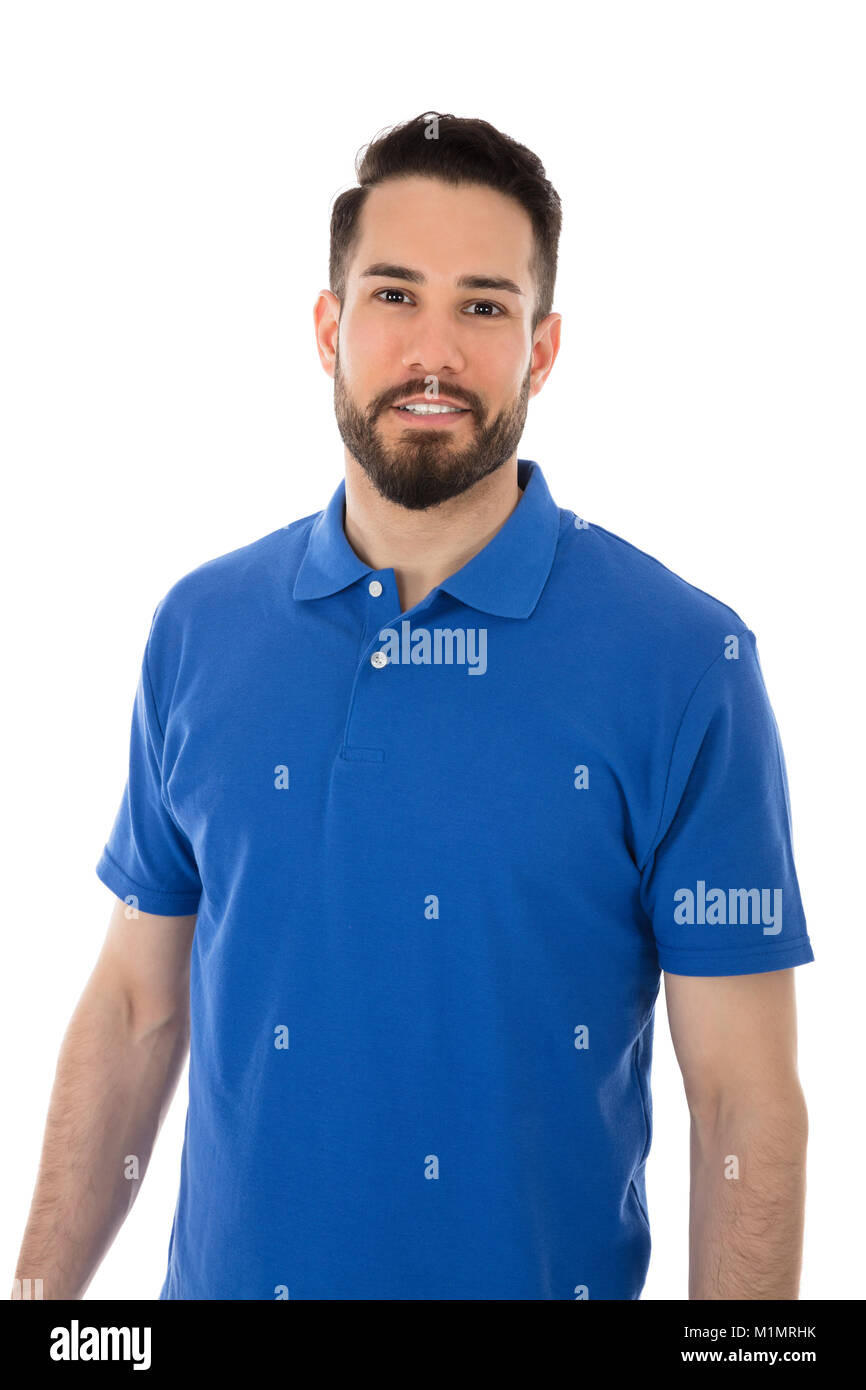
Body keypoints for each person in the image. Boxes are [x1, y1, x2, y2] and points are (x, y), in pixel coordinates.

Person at [12, 112, 813, 1301]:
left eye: (483, 306)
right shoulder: (199, 627)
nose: (431, 352)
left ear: (541, 352)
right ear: (331, 328)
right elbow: (134, 1004)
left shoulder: (685, 660)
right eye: (394, 295)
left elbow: (742, 1098)